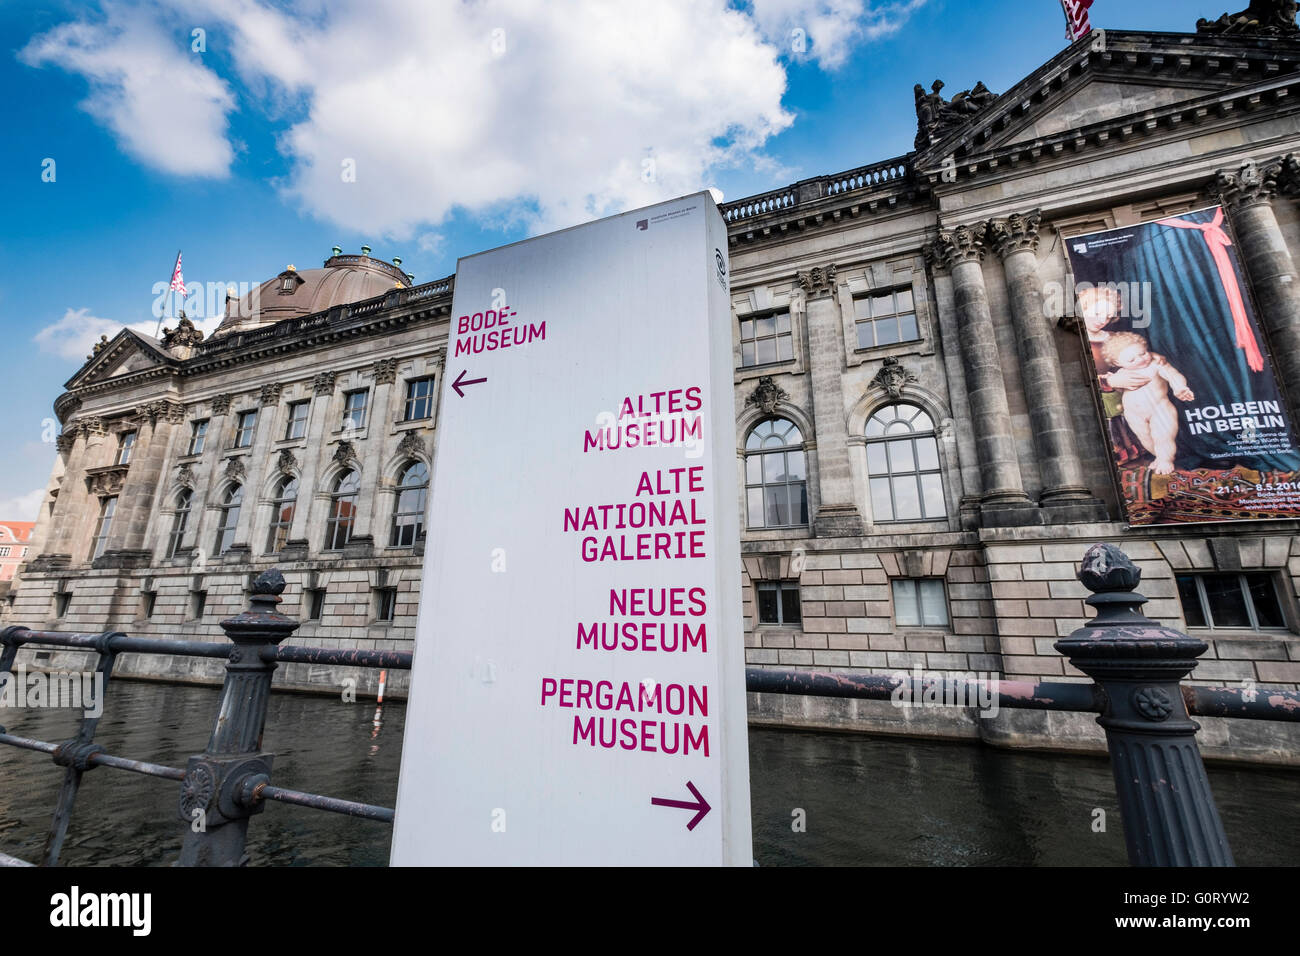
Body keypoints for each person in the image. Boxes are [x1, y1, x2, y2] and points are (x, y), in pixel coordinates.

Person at [1099, 331, 1196, 475]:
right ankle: (1159, 456)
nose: (1140, 359)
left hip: (1160, 409)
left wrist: (1180, 388)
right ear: (1117, 363)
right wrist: (1112, 381)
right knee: (1145, 438)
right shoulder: (1121, 373)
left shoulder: (1155, 365)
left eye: (1143, 353)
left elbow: (1173, 375)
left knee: (1162, 435)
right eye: (1131, 360)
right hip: (1134, 414)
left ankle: (1166, 459)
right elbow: (1115, 388)